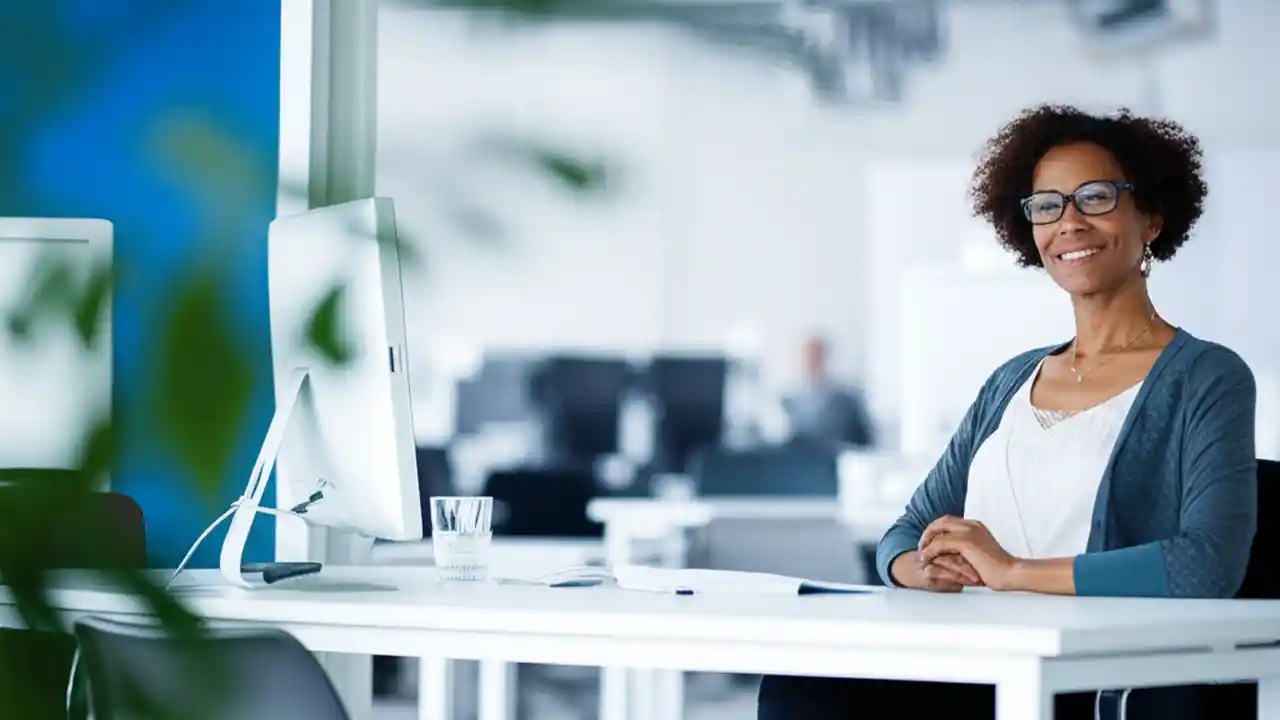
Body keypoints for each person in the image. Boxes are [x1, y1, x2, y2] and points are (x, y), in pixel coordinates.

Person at [758, 105, 1257, 719]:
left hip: (1083, 675)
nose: (1068, 222)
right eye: (1046, 205)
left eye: (1095, 197)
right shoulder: (1011, 379)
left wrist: (1011, 570)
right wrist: (918, 568)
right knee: (800, 690)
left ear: (1151, 217)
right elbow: (903, 533)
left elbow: (1206, 565)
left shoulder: (1206, 375)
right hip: (973, 658)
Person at [783, 335, 875, 447]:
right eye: (809, 356)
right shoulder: (789, 401)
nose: (812, 361)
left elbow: (865, 440)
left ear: (825, 357)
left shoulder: (848, 400)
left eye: (816, 355)